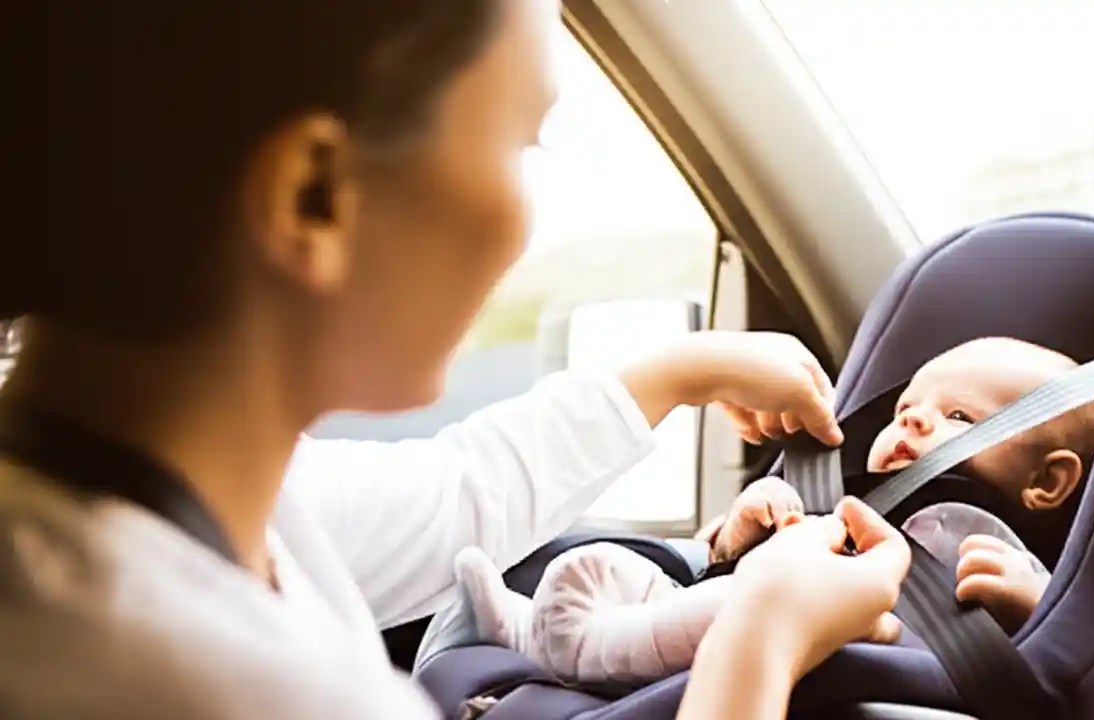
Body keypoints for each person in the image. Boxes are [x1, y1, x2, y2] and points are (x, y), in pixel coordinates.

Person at [0, 2, 911, 719]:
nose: (525, 222)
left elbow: (450, 499)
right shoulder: (216, 689)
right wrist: (760, 639)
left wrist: (676, 373)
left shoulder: (177, 490)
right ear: (315, 195)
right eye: (523, 141)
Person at [452, 338, 1094, 683]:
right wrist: (737, 536)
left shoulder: (1022, 556)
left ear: (1046, 484)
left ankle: (566, 642)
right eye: (909, 405)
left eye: (959, 416)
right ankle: (522, 625)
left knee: (707, 602)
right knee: (600, 565)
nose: (913, 418)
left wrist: (1031, 600)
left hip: (799, 637)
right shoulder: (850, 495)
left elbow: (1062, 647)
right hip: (728, 609)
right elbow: (737, 567)